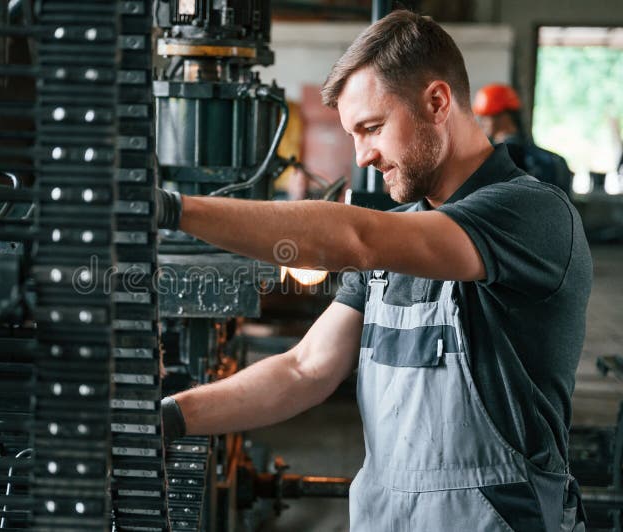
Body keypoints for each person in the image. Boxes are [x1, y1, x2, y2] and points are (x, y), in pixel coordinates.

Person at [157, 10, 591, 531]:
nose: (362, 156)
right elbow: (304, 369)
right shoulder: (395, 241)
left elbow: (355, 239)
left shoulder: (530, 215)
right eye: (353, 134)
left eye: (372, 128)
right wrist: (168, 417)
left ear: (436, 102)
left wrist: (171, 210)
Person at [473, 83, 574, 197]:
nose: (481, 122)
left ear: (505, 116)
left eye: (486, 117)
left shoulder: (496, 157)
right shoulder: (555, 160)